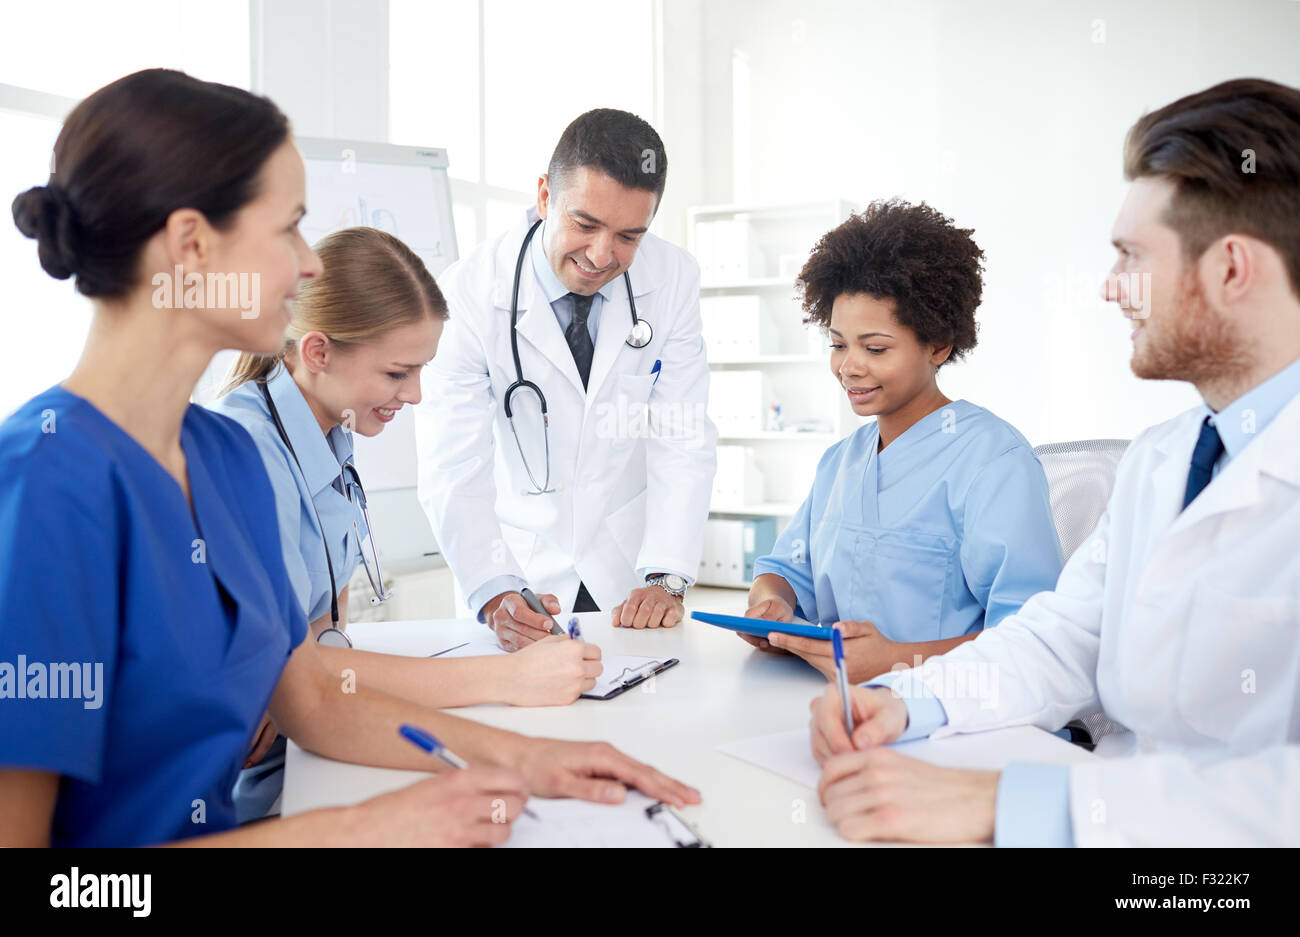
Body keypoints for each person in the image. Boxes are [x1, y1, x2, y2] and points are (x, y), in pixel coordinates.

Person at [0, 68, 697, 848]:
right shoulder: (43, 485)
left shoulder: (223, 458)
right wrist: (363, 828)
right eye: (290, 226)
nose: (308, 264)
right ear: (192, 244)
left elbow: (320, 703)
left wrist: (535, 758)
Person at [809, 77, 1300, 847]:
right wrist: (911, 699)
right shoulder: (1165, 458)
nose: (1108, 289)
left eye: (1131, 257)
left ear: (1232, 268)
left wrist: (1014, 805)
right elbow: (1062, 636)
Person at [213, 226, 605, 823]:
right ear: (318, 352)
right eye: (397, 373)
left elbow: (320, 635)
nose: (416, 394)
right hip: (237, 786)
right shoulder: (249, 454)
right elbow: (307, 676)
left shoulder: (328, 427)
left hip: (303, 750)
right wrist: (509, 678)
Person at [416, 109, 717, 651]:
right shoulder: (468, 291)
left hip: (629, 573)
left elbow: (682, 435)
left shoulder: (672, 279)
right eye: (585, 224)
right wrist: (493, 589)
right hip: (517, 570)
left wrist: (667, 575)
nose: (602, 256)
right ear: (544, 197)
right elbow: (452, 463)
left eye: (629, 236)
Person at [742, 201, 1063, 682]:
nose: (849, 366)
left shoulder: (994, 462)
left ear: (938, 344)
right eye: (837, 344)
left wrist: (898, 660)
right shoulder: (841, 462)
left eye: (875, 348)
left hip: (950, 721)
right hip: (832, 708)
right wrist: (770, 605)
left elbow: (1034, 640)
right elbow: (786, 570)